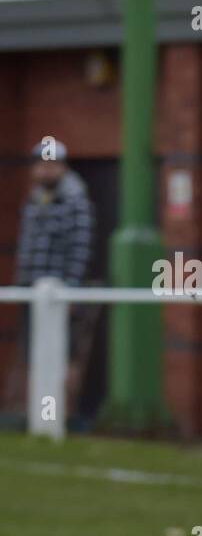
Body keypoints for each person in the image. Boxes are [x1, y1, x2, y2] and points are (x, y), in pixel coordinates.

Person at [4, 139, 96, 415]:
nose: (45, 171)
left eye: (51, 165)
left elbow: (80, 248)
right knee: (34, 353)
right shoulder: (34, 199)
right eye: (41, 165)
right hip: (32, 290)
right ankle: (35, 413)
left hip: (61, 293)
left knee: (65, 356)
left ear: (62, 167)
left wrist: (70, 291)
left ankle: (60, 415)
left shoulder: (75, 200)